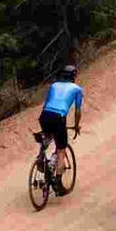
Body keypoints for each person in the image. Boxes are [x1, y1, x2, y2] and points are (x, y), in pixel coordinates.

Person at [38, 63, 83, 192]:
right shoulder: (77, 89)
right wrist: (76, 125)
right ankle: (58, 183)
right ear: (74, 76)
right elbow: (77, 111)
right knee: (61, 149)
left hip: (45, 115)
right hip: (58, 117)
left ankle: (41, 157)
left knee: (47, 137)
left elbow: (47, 103)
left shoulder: (54, 85)